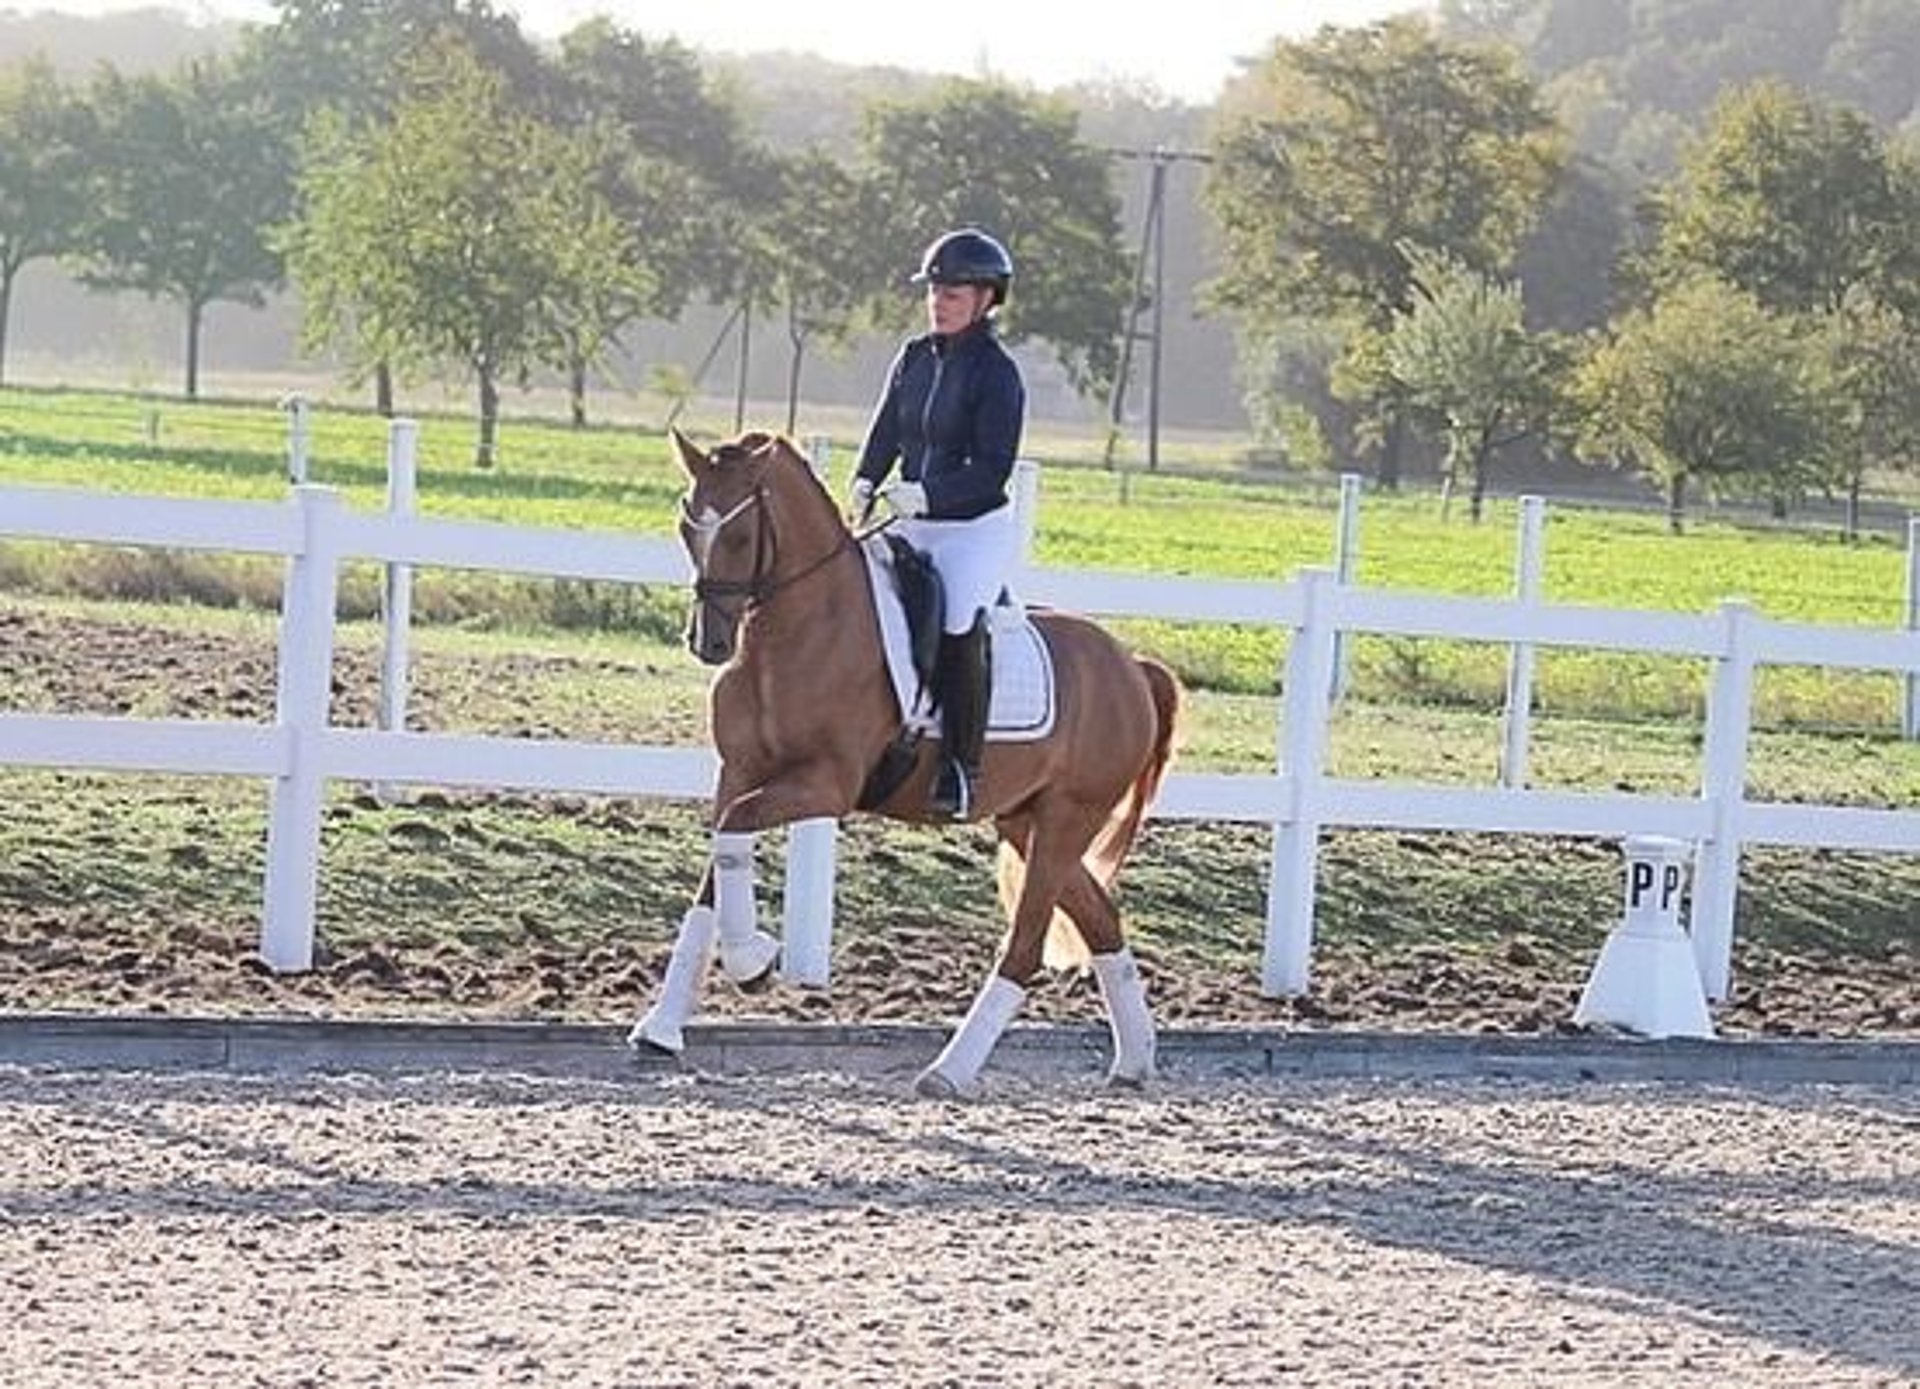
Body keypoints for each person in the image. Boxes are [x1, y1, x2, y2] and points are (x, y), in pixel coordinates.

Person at [849, 226, 1026, 821]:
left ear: (985, 299)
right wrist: (865, 481)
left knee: (955, 619)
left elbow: (991, 471)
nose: (939, 301)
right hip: (907, 516)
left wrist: (926, 495)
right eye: (935, 290)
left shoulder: (998, 374)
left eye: (953, 292)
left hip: (970, 529)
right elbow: (886, 433)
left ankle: (959, 764)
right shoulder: (913, 358)